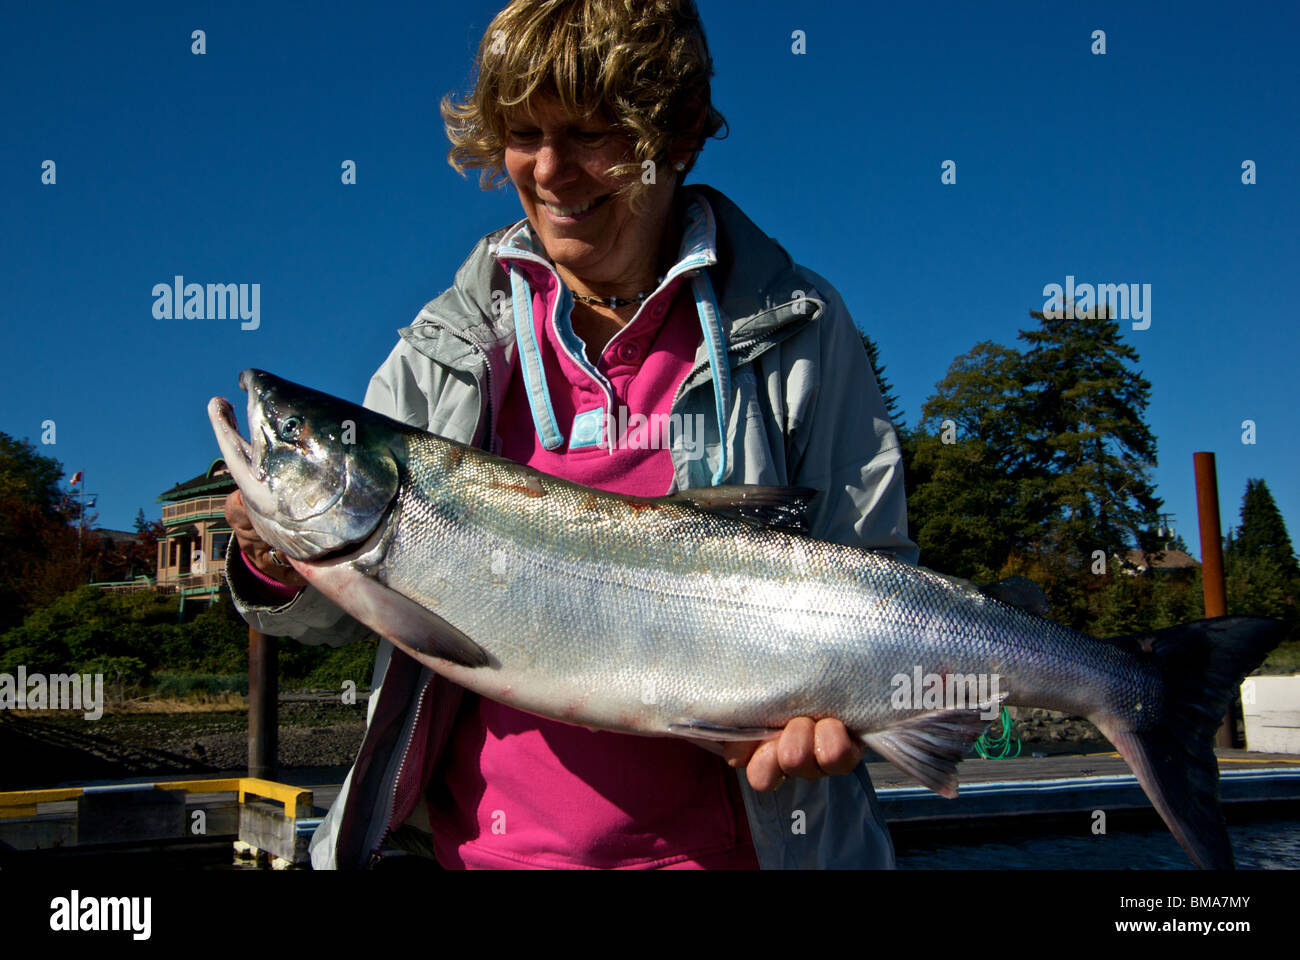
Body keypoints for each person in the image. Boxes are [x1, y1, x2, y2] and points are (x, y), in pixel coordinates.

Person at [224, 0, 917, 870]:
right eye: (522, 133)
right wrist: (277, 552)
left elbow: (878, 577)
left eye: (592, 134)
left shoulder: (801, 325)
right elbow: (346, 616)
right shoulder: (444, 346)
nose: (550, 171)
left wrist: (851, 708)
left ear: (681, 135)